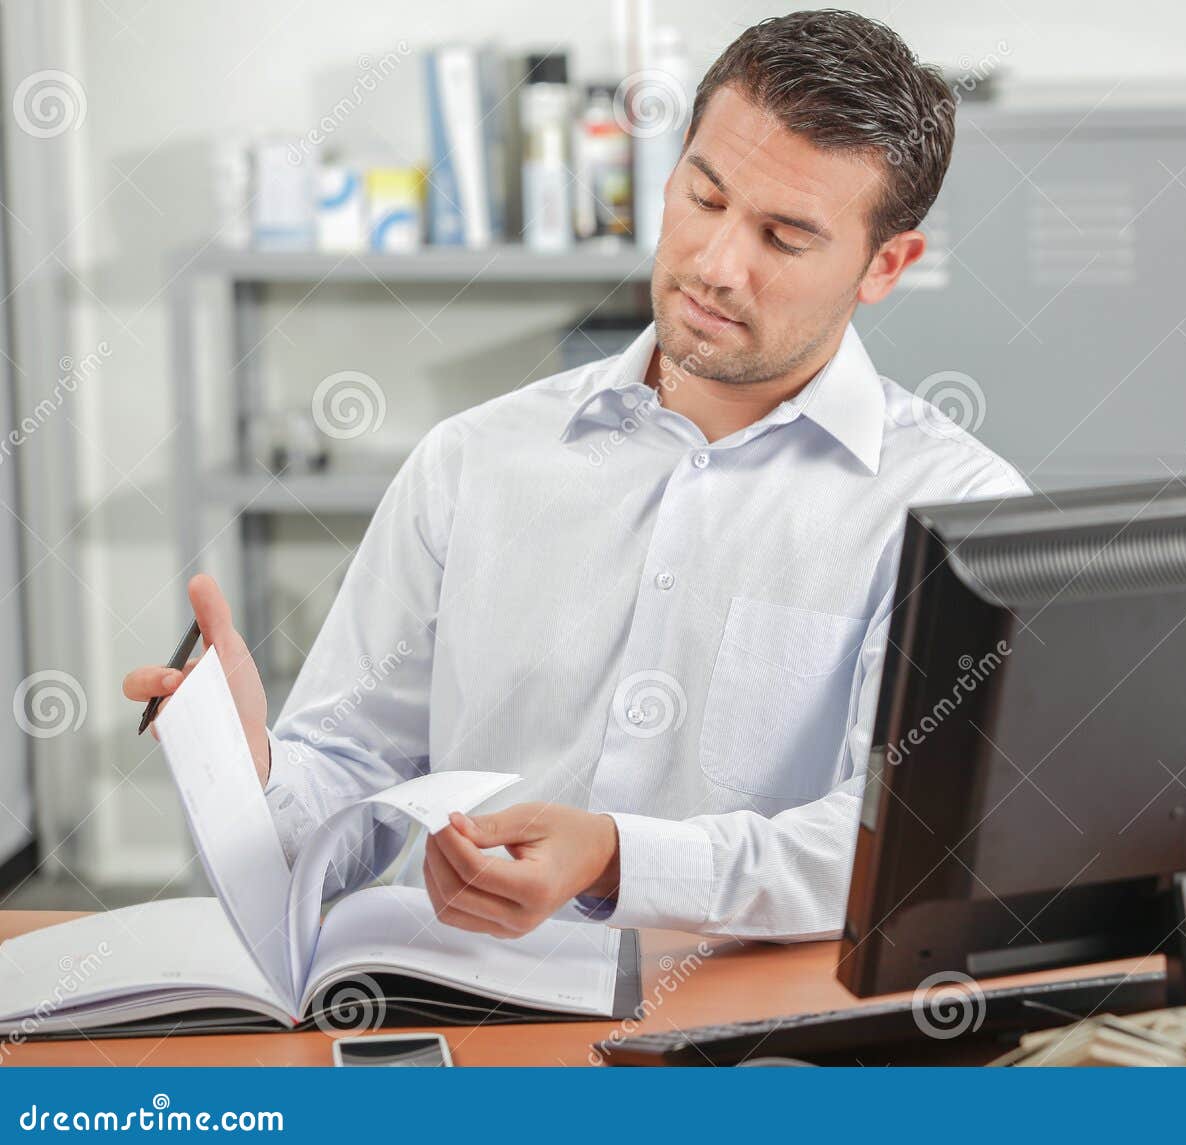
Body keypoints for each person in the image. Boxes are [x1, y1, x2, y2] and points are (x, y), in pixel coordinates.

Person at [123, 10, 1028, 943]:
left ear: (886, 265)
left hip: (755, 1025)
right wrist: (246, 769)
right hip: (480, 1012)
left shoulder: (958, 511)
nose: (717, 265)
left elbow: (910, 840)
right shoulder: (472, 463)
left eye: (784, 237)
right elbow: (340, 802)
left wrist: (616, 859)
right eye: (705, 198)